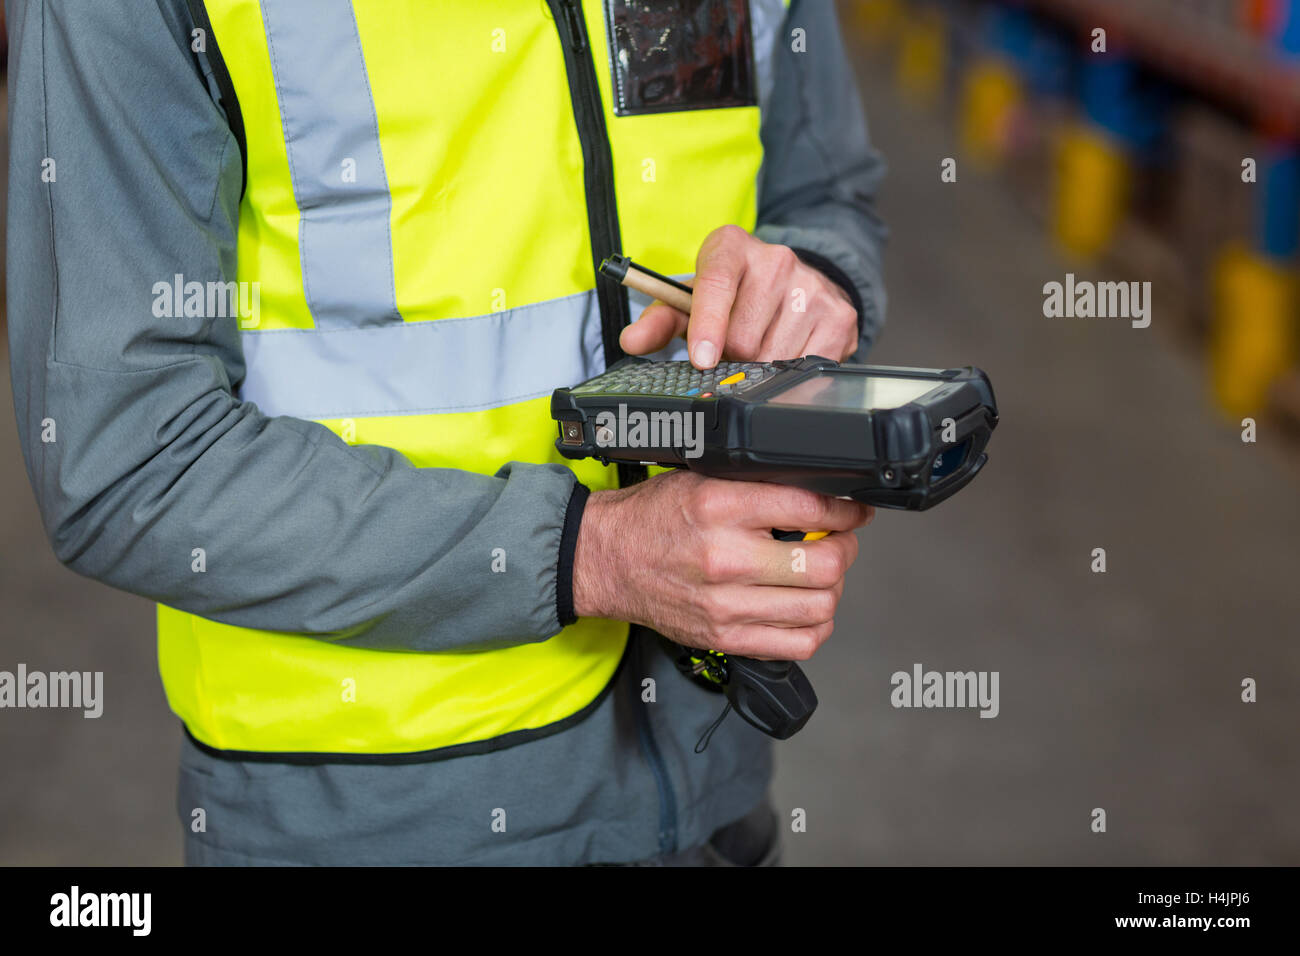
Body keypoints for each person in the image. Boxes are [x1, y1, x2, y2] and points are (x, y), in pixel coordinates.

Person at [5, 0, 887, 865]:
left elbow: (825, 192)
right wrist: (594, 553)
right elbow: (127, 457)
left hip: (712, 770)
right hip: (374, 807)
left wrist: (809, 287)